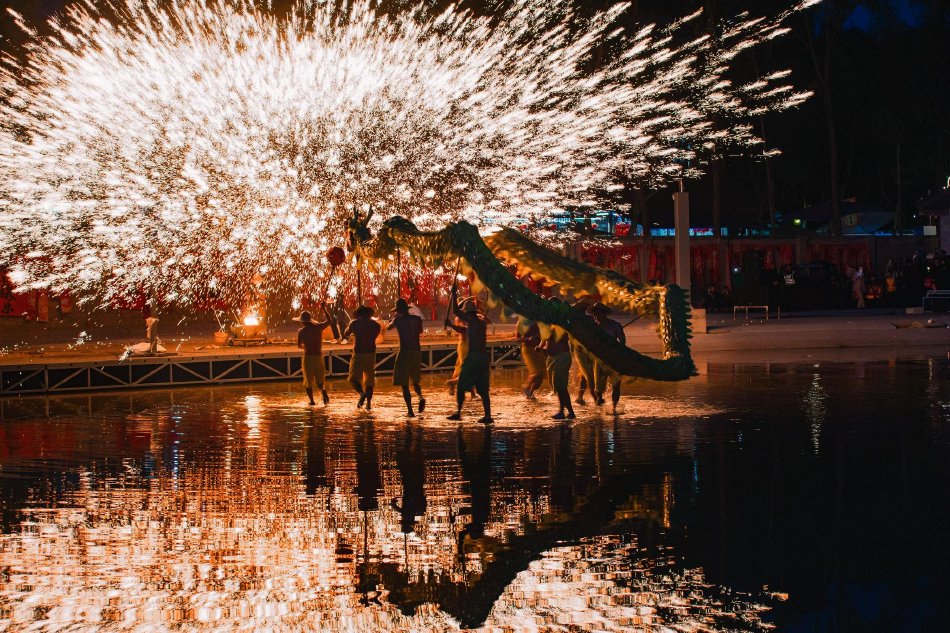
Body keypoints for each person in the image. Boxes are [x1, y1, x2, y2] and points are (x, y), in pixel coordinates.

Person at [444, 285, 492, 423]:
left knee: (460, 387)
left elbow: (455, 310)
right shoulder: (480, 322)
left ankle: (458, 412)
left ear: (468, 313)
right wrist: (452, 326)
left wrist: (453, 294)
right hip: (484, 359)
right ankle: (488, 416)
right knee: (483, 390)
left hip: (474, 358)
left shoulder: (471, 320)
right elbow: (464, 330)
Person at [389, 298, 426, 417]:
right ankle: (420, 397)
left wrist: (394, 317)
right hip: (416, 351)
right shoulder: (417, 319)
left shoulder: (397, 320)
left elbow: (388, 327)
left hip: (404, 352)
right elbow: (420, 332)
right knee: (415, 381)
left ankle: (410, 411)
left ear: (398, 310)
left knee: (404, 383)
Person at [540, 298, 575, 420]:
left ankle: (567, 412)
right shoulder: (549, 321)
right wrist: (540, 346)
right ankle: (566, 412)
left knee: (561, 387)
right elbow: (545, 336)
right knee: (557, 386)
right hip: (551, 358)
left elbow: (559, 336)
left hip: (562, 357)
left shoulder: (563, 321)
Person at [343, 305, 381, 409]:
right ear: (369, 314)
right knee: (369, 381)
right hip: (371, 354)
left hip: (358, 353)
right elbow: (375, 336)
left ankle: (362, 393)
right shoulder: (376, 325)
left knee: (353, 379)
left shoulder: (354, 323)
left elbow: (345, 333)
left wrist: (352, 326)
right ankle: (368, 404)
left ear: (358, 314)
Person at [589, 303, 625, 414]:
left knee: (616, 386)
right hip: (599, 360)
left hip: (614, 360)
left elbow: (622, 342)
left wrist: (615, 349)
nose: (595, 316)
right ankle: (599, 400)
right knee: (598, 390)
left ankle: (614, 408)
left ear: (604, 314)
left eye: (597, 314)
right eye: (594, 314)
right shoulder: (593, 327)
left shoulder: (615, 325)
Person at [295, 307, 331, 406]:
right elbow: (329, 321)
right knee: (320, 379)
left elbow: (299, 345)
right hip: (318, 356)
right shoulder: (318, 327)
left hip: (308, 357)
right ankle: (323, 391)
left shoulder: (301, 331)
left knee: (308, 381)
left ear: (302, 321)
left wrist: (307, 346)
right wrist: (324, 308)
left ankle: (312, 401)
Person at [569, 299, 596, 405]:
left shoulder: (590, 319)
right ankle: (596, 398)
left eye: (583, 309)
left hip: (590, 349)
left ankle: (580, 397)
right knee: (589, 374)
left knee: (585, 374)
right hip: (580, 350)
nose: (581, 311)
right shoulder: (573, 321)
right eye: (580, 309)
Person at [517, 318, 545, 398]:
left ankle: (530, 393)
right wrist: (528, 339)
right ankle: (526, 386)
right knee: (537, 372)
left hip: (538, 349)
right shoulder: (521, 322)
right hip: (528, 348)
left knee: (542, 374)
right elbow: (517, 339)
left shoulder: (540, 320)